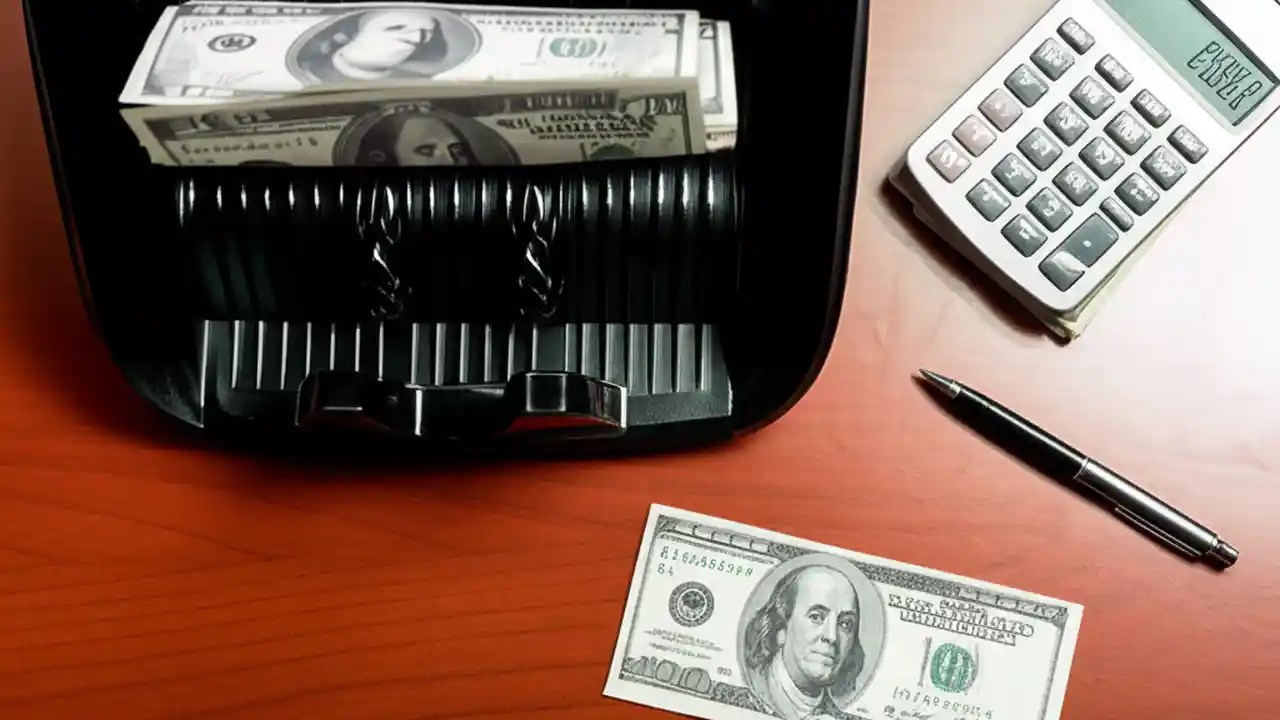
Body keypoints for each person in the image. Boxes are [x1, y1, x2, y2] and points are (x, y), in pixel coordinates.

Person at [742, 565, 866, 720]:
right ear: (781, 626)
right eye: (816, 617)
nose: (832, 636)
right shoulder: (748, 689)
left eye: (845, 624)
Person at [292, 9, 475, 85]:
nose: (416, 38)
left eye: (426, 32)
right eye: (395, 27)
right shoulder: (302, 73)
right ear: (347, 34)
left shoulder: (421, 83)